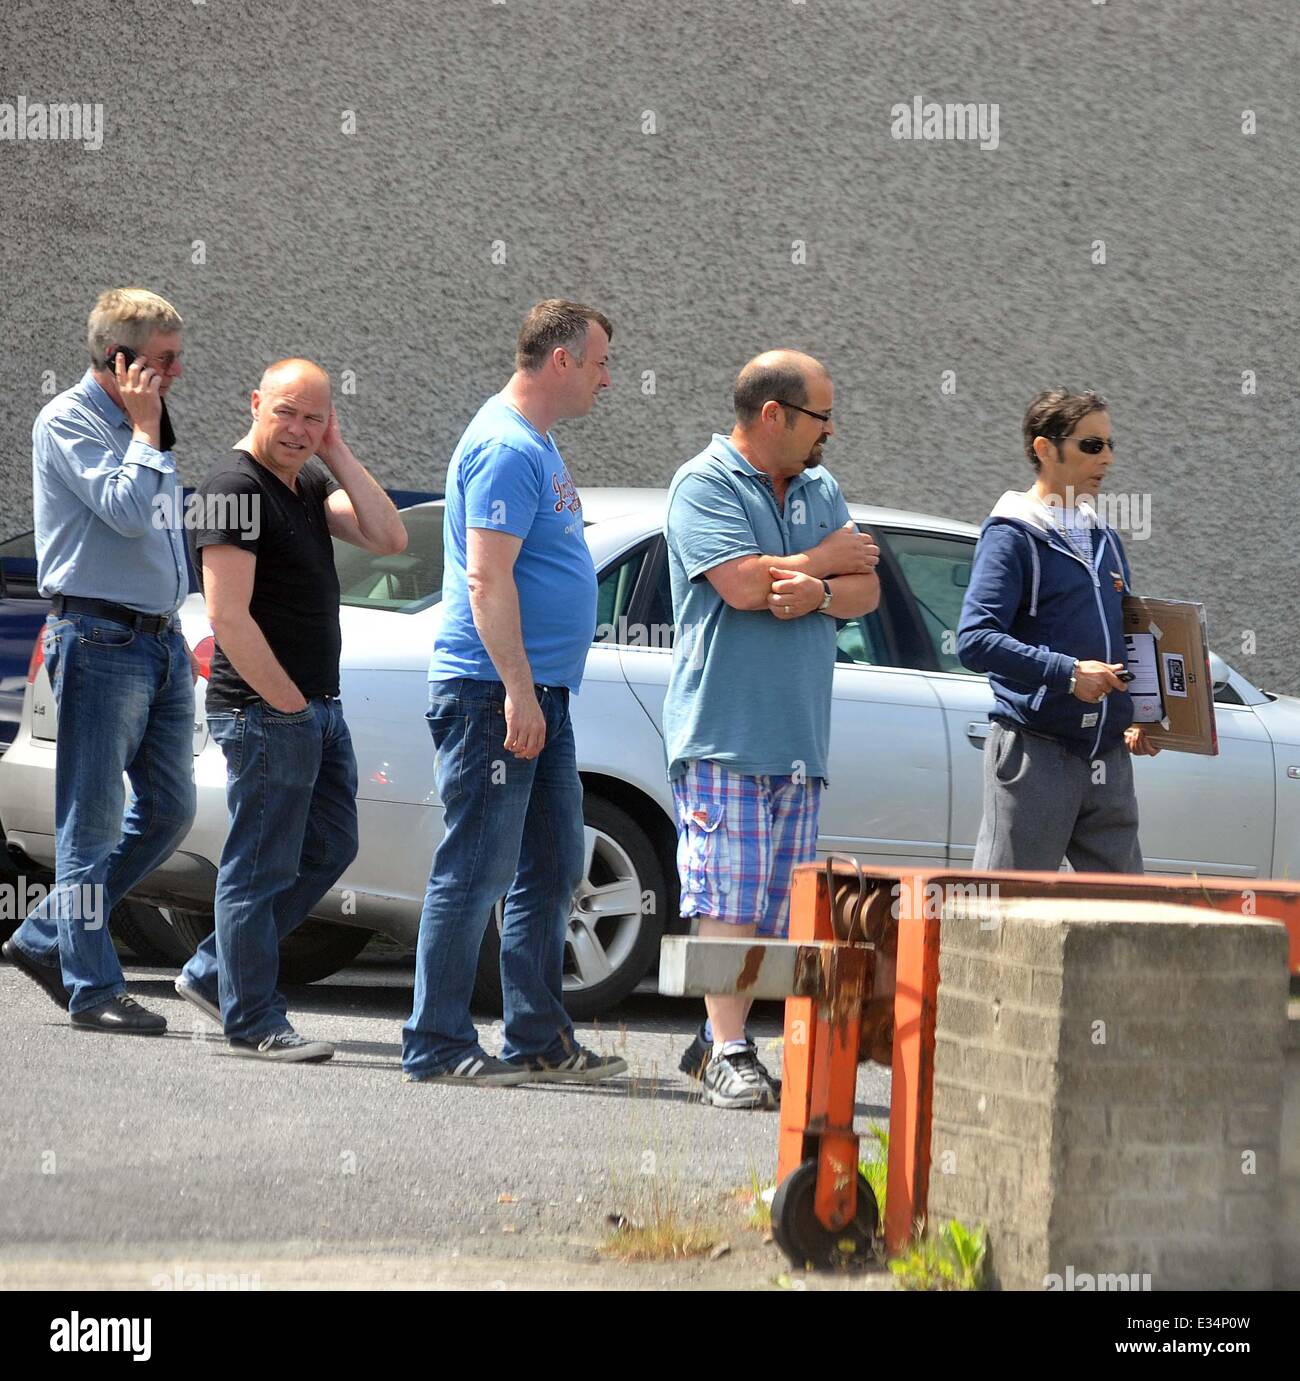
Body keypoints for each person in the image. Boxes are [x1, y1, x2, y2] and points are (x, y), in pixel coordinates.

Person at [402, 300, 628, 1087]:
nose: (609, 377)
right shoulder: (505, 445)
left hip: (537, 693)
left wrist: (537, 692)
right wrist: (517, 691)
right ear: (560, 360)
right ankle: (436, 1042)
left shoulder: (537, 443)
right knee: (473, 869)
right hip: (492, 694)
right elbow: (486, 578)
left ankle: (534, 1034)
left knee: (555, 859)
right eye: (600, 361)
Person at [664, 350, 880, 1109]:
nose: (831, 431)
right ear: (773, 415)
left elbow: (868, 588)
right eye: (821, 416)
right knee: (726, 894)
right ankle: (726, 1047)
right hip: (725, 731)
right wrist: (822, 562)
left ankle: (716, 1042)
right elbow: (742, 583)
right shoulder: (704, 483)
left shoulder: (820, 485)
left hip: (798, 737)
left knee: (774, 908)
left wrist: (813, 588)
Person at [173, 359, 406, 1062]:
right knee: (260, 866)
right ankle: (252, 1019)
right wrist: (289, 704)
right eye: (286, 413)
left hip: (316, 711)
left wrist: (335, 451)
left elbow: (389, 536)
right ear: (254, 403)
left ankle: (218, 971)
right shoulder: (229, 489)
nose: (298, 429)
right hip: (268, 713)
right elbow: (227, 616)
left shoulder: (304, 483)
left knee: (331, 846)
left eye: (314, 417)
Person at [2, 288, 196, 1034]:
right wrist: (146, 433)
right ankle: (91, 985)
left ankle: (49, 931)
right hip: (99, 638)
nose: (177, 372)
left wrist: (148, 429)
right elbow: (120, 508)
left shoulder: (140, 421)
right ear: (119, 360)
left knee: (172, 808)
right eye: (163, 360)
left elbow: (152, 526)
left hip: (159, 638)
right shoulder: (69, 420)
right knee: (91, 822)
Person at [957, 388, 1159, 874]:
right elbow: (974, 639)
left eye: (1110, 445)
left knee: (1124, 920)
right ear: (1045, 449)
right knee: (1003, 918)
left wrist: (1140, 715)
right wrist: (1068, 674)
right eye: (1092, 446)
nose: (1107, 458)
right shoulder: (1010, 533)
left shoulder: (1104, 536)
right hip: (1035, 751)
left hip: (1107, 756)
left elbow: (1125, 633)